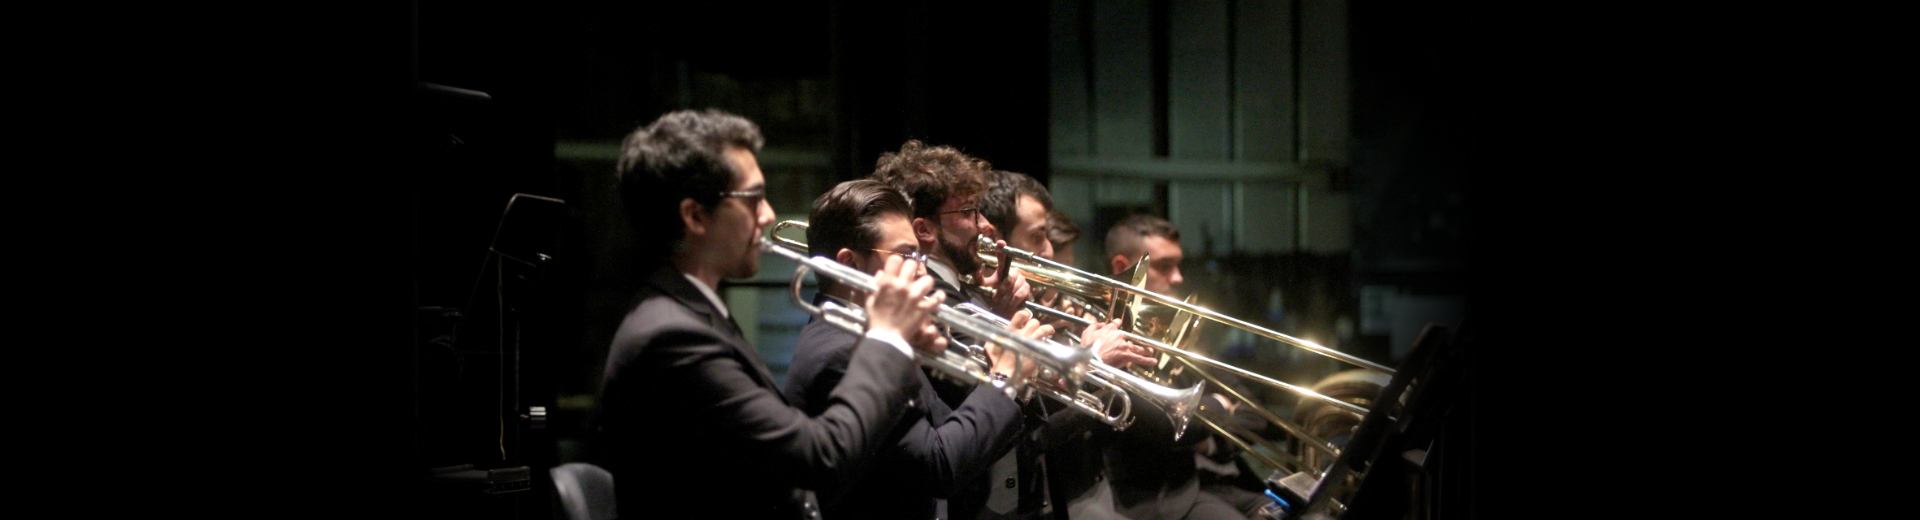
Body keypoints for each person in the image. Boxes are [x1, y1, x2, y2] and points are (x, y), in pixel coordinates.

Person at [598, 110, 945, 519]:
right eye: (753, 199)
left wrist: (897, 348)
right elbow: (818, 456)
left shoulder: (691, 313)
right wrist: (886, 340)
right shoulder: (672, 335)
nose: (767, 215)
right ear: (694, 216)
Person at [783, 179, 1061, 520]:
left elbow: (950, 429)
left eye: (920, 255)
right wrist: (1003, 380)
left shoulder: (871, 335)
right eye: (905, 256)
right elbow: (938, 465)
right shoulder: (842, 351)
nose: (921, 271)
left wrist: (998, 378)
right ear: (851, 264)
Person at [1099, 214, 1251, 520]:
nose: (1179, 278)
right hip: (1150, 502)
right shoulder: (1104, 340)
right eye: (1165, 266)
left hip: (1199, 483)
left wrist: (1208, 442)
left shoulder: (1180, 332)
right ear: (1121, 269)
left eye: (1178, 265)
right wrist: (1220, 404)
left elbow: (1252, 409)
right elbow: (1167, 427)